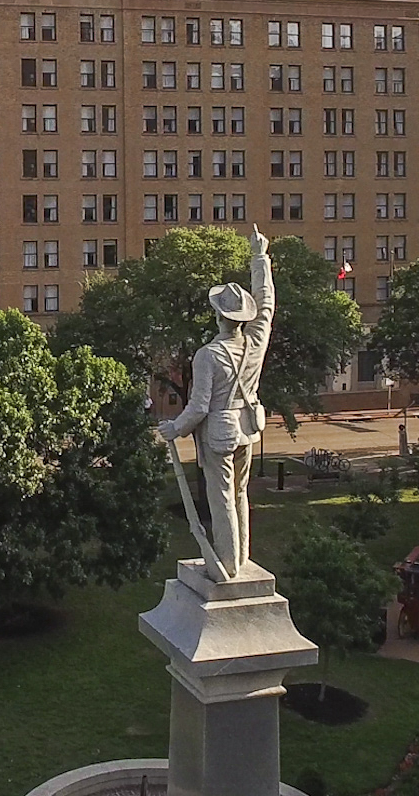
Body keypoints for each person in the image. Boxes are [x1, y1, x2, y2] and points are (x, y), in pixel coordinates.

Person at [160, 226, 275, 578]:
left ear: (218, 316)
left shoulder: (207, 355)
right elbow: (267, 303)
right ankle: (240, 557)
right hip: (247, 428)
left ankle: (227, 562)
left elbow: (199, 407)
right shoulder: (256, 341)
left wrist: (175, 428)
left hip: (219, 433)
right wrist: (259, 257)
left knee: (222, 496)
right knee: (240, 493)